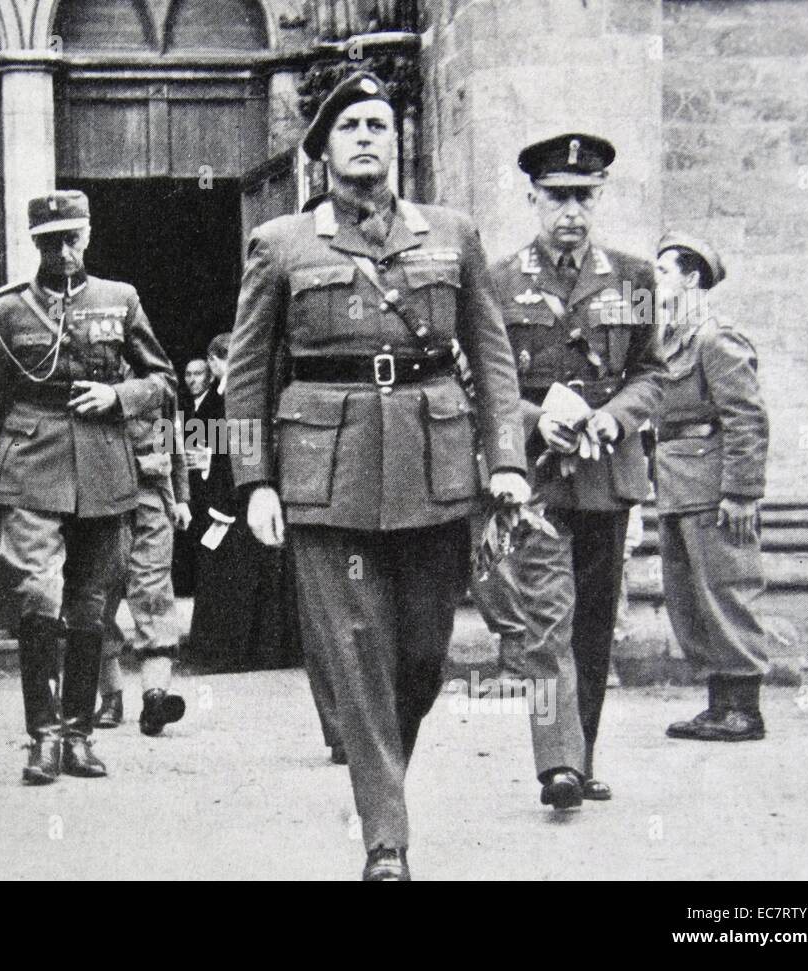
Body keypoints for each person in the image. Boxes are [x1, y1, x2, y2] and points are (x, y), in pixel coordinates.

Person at [226, 72, 529, 881]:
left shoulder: (451, 234)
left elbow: (493, 359)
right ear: (322, 149)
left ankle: (379, 770)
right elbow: (245, 374)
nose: (367, 136)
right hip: (326, 477)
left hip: (435, 468)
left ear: (397, 142)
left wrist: (506, 460)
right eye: (350, 126)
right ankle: (386, 840)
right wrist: (254, 480)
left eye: (379, 124)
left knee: (422, 656)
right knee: (357, 653)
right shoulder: (283, 243)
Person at [0, 190, 175, 786]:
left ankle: (78, 736)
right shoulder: (8, 310)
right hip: (30, 464)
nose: (64, 252)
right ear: (36, 244)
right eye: (51, 242)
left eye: (72, 239)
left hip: (103, 464)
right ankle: (43, 736)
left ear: (88, 235)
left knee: (90, 603)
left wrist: (118, 396)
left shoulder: (119, 299)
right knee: (38, 593)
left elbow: (163, 380)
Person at [480, 133, 665, 810]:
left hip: (607, 474)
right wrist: (535, 420)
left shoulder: (634, 277)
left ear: (600, 197)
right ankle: (557, 763)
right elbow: (485, 383)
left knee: (592, 622)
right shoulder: (499, 280)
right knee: (546, 619)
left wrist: (615, 417)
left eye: (585, 196)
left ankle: (580, 757)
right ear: (533, 197)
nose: (572, 212)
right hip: (534, 476)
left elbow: (652, 373)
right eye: (558, 197)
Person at [653, 232, 771, 741]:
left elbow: (746, 417)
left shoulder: (716, 338)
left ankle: (744, 709)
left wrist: (742, 493)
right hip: (678, 486)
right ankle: (721, 705)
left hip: (713, 489)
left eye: (662, 272)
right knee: (691, 598)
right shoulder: (671, 339)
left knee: (727, 591)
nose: (652, 281)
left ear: (692, 278)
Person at [186, 334, 301, 675]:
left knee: (247, 574)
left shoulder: (238, 396)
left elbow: (244, 445)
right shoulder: (210, 399)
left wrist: (210, 457)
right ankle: (230, 650)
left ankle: (247, 652)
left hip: (236, 497)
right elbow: (194, 442)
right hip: (221, 495)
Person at [94, 389, 191, 735]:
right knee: (96, 599)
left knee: (154, 596)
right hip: (100, 503)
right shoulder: (93, 378)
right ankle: (111, 696)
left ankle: (155, 698)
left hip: (151, 501)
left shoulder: (157, 384)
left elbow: (173, 440)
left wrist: (181, 497)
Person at [171, 356, 211, 594]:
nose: (192, 380)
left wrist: (209, 456)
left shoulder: (218, 403)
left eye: (198, 374)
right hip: (184, 484)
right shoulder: (179, 405)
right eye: (188, 374)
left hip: (209, 487)